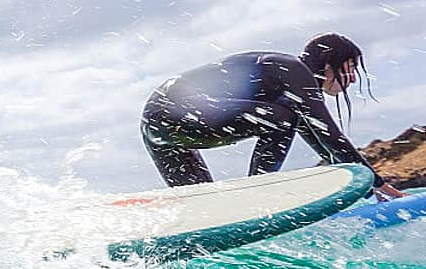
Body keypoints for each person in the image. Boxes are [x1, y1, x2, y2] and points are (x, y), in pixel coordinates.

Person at [140, 33, 408, 200]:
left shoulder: (290, 86)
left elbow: (321, 141)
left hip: (157, 122)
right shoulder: (294, 71)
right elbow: (330, 134)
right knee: (283, 119)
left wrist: (364, 188)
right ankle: (256, 193)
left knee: (203, 207)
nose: (352, 79)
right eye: (349, 68)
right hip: (175, 110)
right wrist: (382, 184)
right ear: (329, 63)